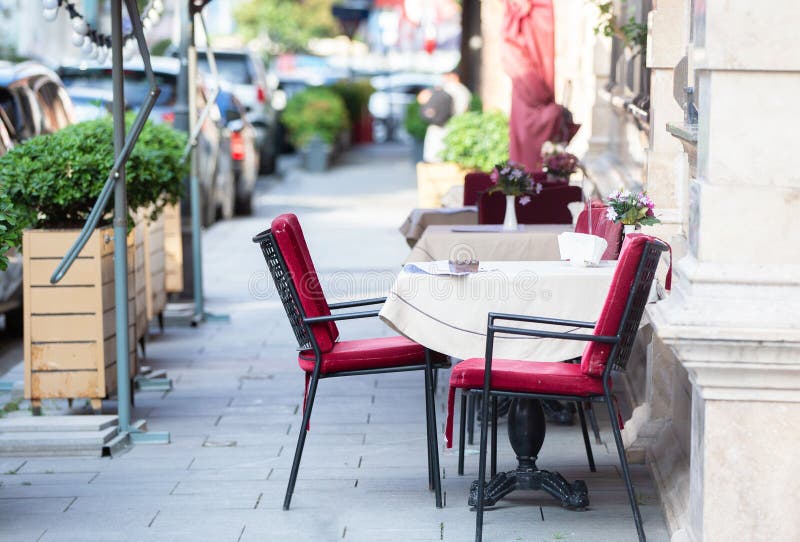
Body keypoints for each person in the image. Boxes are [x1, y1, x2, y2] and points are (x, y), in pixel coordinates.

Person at [418, 72, 471, 163]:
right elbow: (465, 111)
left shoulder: (444, 88)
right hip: (455, 127)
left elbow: (421, 98)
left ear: (453, 76)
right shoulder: (464, 91)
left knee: (434, 158)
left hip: (438, 127)